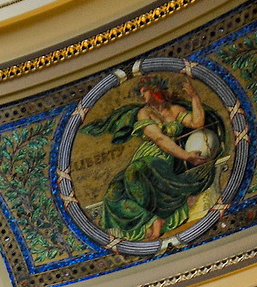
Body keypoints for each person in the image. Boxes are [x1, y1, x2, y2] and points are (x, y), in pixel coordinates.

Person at [81, 77, 223, 242]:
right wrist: (186, 156)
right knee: (112, 194)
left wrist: (194, 97)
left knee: (137, 171)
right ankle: (151, 219)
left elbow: (197, 122)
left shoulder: (174, 110)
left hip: (163, 160)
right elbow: (159, 138)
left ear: (155, 89)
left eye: (144, 91)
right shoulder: (144, 112)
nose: (142, 96)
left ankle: (155, 219)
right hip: (144, 158)